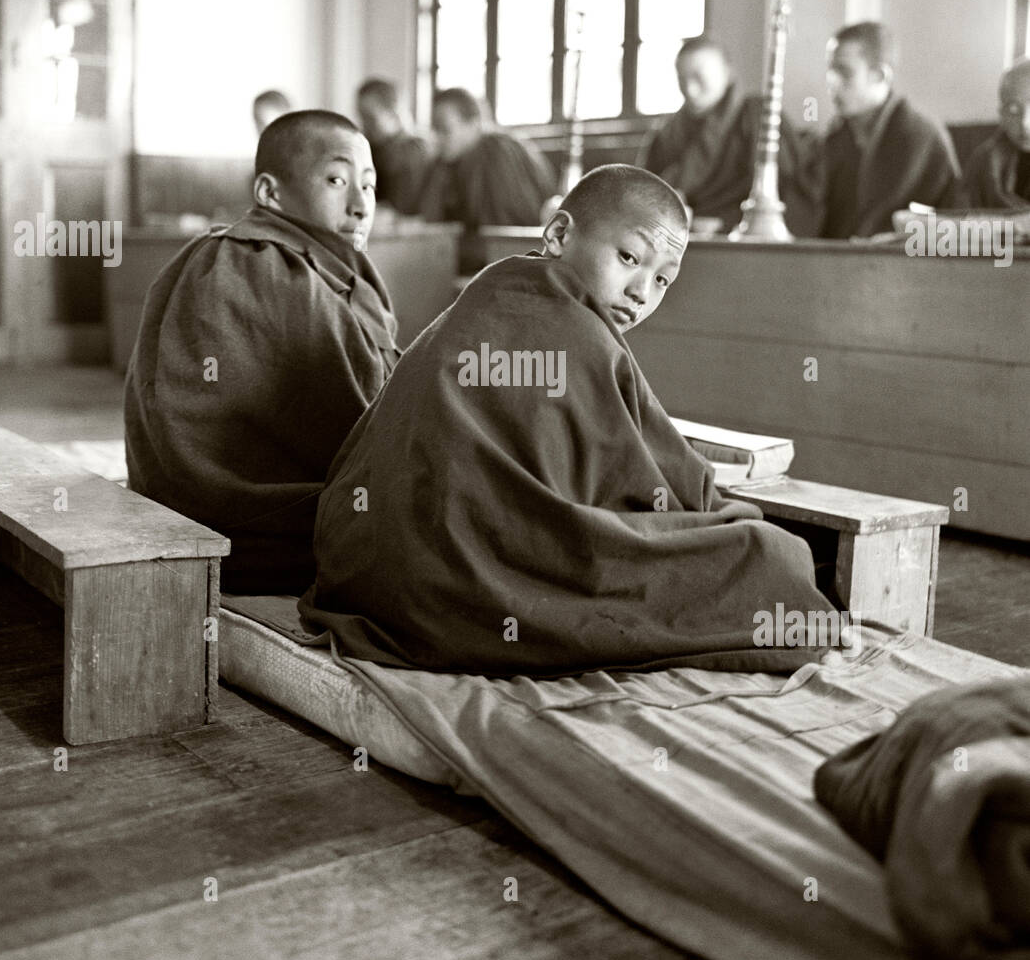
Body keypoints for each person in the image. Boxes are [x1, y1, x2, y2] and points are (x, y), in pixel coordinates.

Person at [300, 164, 836, 676]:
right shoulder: (577, 331)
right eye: (629, 257)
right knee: (768, 554)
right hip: (470, 583)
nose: (641, 292)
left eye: (663, 280)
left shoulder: (491, 290)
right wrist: (722, 515)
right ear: (559, 233)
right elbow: (658, 486)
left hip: (370, 575)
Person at [125, 111, 400, 594]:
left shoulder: (302, 260)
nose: (360, 205)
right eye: (336, 180)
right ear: (270, 194)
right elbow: (361, 434)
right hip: (254, 536)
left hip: (193, 512)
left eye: (370, 185)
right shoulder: (265, 267)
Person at [638, 35, 819, 235]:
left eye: (699, 77)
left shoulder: (758, 116)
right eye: (682, 79)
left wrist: (726, 223)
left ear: (727, 73)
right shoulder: (667, 132)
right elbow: (642, 194)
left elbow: (790, 191)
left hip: (746, 236)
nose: (690, 89)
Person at [819, 22, 960, 237]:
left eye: (845, 73)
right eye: (831, 71)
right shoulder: (835, 137)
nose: (832, 83)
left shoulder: (921, 137)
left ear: (881, 76)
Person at [418, 87, 555, 269]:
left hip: (514, 260)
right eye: (434, 130)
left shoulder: (496, 153)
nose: (437, 138)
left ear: (474, 123)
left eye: (444, 129)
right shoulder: (449, 163)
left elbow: (499, 239)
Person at [958, 57, 1030, 210]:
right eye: (1013, 110)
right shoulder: (983, 163)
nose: (1025, 122)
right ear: (1001, 113)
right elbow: (963, 219)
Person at [356, 77, 432, 215]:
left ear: (393, 113)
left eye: (370, 118)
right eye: (362, 117)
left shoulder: (413, 151)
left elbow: (404, 209)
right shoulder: (369, 148)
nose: (364, 125)